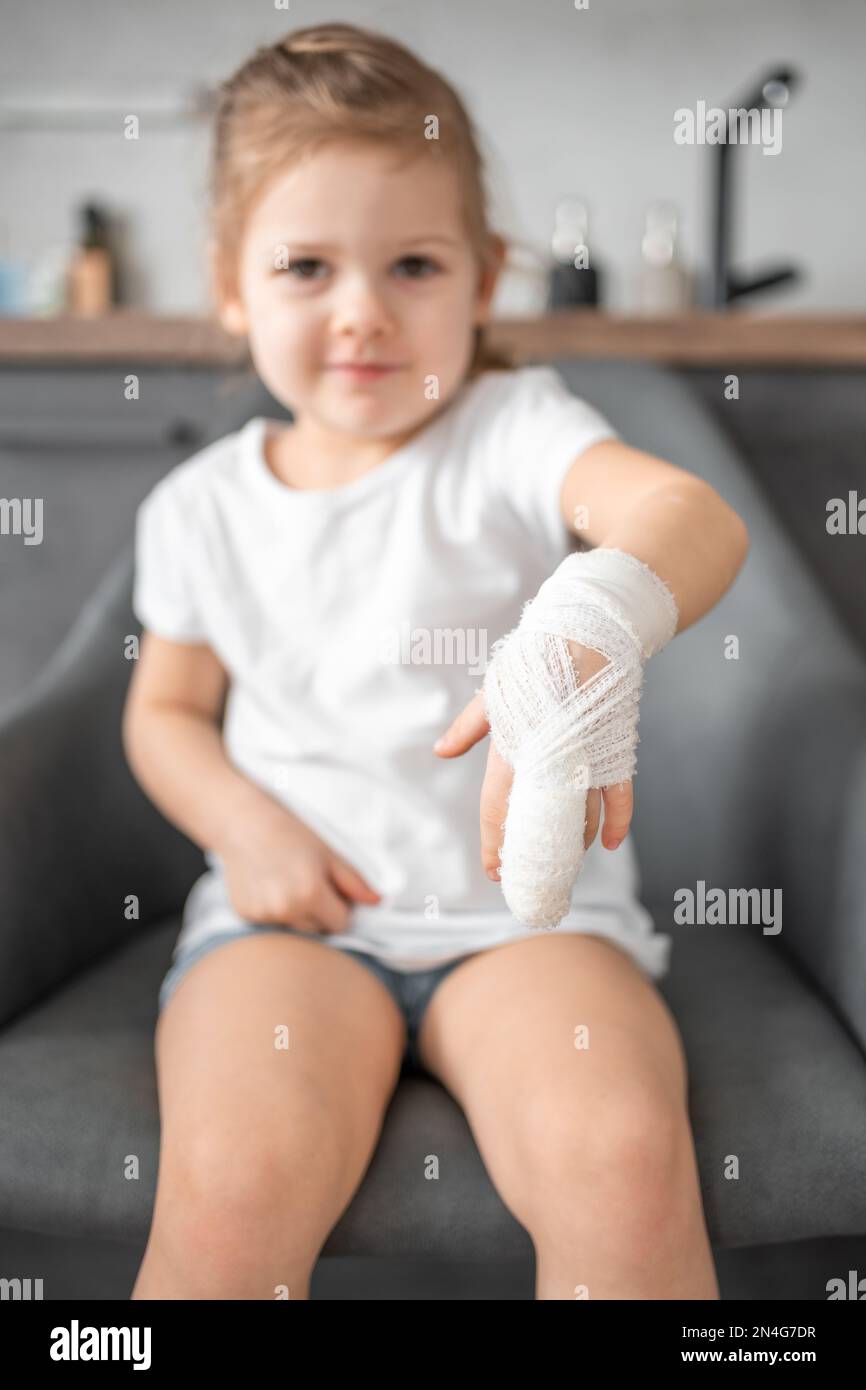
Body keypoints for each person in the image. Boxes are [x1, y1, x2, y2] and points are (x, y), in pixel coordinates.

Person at [124, 23, 748, 1300]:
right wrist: (243, 826)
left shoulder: (515, 431)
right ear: (232, 286)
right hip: (294, 925)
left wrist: (589, 621)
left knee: (621, 1158)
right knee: (232, 1184)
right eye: (305, 266)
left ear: (482, 281)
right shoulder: (196, 506)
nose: (361, 311)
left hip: (526, 924)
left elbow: (691, 519)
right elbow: (167, 712)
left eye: (412, 263)